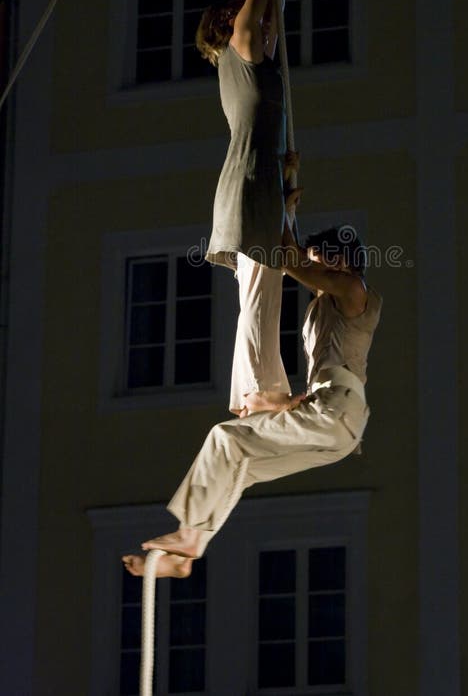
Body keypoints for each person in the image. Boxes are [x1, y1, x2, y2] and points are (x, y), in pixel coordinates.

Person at [122, 193, 382, 578]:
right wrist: (280, 404)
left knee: (225, 440)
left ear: (336, 261)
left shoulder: (354, 290)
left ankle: (188, 537)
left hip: (337, 414)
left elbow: (292, 260)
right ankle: (187, 553)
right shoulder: (325, 307)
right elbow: (328, 380)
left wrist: (283, 211)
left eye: (319, 266)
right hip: (338, 424)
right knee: (242, 463)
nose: (314, 282)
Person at [196, 0, 299, 418]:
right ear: (227, 23)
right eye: (243, 9)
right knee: (260, 288)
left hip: (257, 183)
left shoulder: (258, 55)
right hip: (246, 183)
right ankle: (256, 394)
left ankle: (253, 391)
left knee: (265, 290)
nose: (254, 14)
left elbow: (273, 3)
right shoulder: (240, 43)